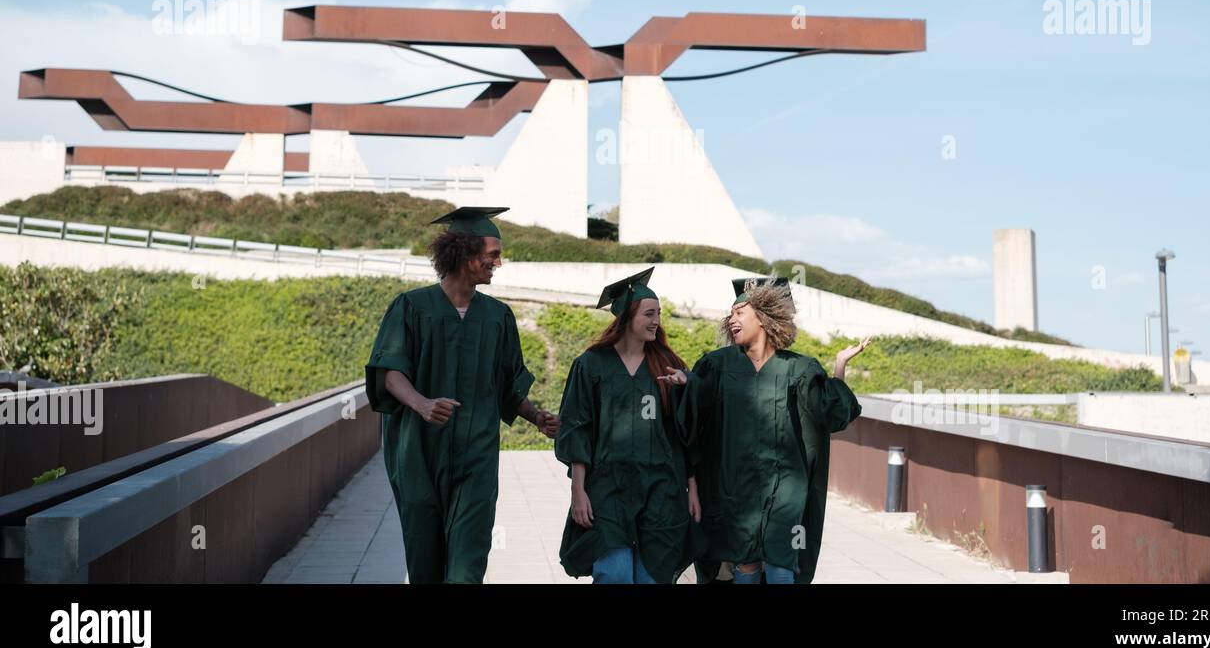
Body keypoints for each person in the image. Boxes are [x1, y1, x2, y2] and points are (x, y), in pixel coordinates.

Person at [364, 205, 559, 584]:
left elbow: (508, 384)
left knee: (467, 567)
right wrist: (422, 404)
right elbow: (389, 373)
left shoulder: (498, 316)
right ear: (464, 254)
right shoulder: (411, 307)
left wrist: (537, 418)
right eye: (492, 255)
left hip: (477, 456)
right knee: (425, 565)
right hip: (418, 453)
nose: (498, 264)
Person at [681, 275, 869, 584]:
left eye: (740, 312)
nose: (732, 320)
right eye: (730, 314)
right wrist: (683, 386)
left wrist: (838, 367)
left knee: (782, 566)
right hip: (733, 493)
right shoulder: (716, 366)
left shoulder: (799, 369)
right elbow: (691, 421)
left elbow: (832, 414)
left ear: (764, 317)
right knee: (745, 567)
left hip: (785, 493)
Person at [555, 267, 702, 584]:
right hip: (608, 487)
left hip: (661, 488)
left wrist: (687, 385)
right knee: (616, 574)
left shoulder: (668, 366)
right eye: (649, 314)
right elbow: (577, 427)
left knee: (652, 577)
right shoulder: (590, 365)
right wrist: (578, 489)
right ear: (627, 316)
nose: (656, 322)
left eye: (659, 314)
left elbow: (685, 435)